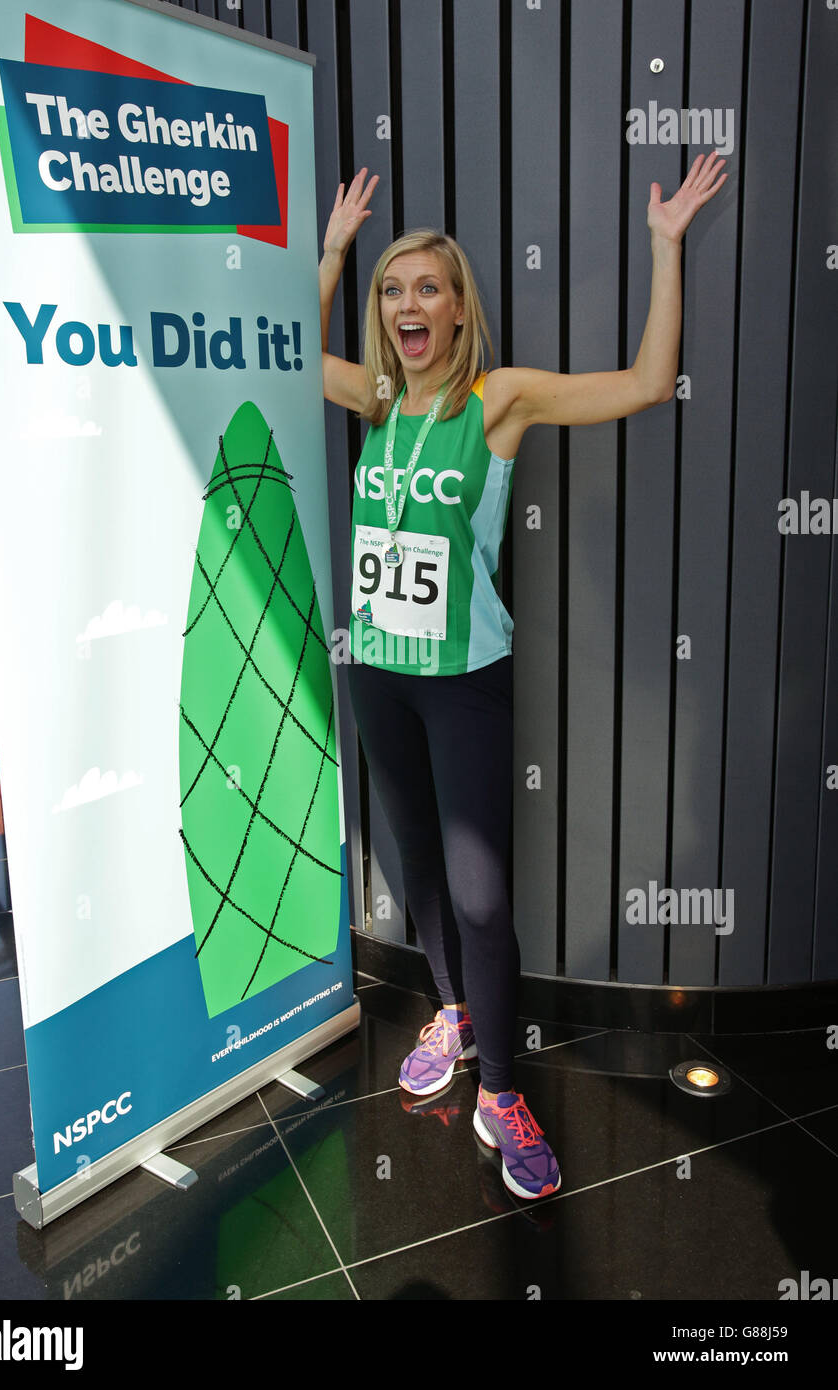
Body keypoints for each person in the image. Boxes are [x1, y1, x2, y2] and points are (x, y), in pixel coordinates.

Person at [318, 155, 727, 1201]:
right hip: (379, 675)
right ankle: (452, 1016)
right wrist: (329, 255)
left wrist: (666, 245)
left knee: (481, 898)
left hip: (462, 680)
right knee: (417, 871)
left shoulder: (495, 400)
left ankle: (502, 1088)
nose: (409, 304)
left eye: (428, 288)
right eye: (392, 289)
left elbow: (642, 383)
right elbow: (278, 352)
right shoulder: (373, 395)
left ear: (458, 312)